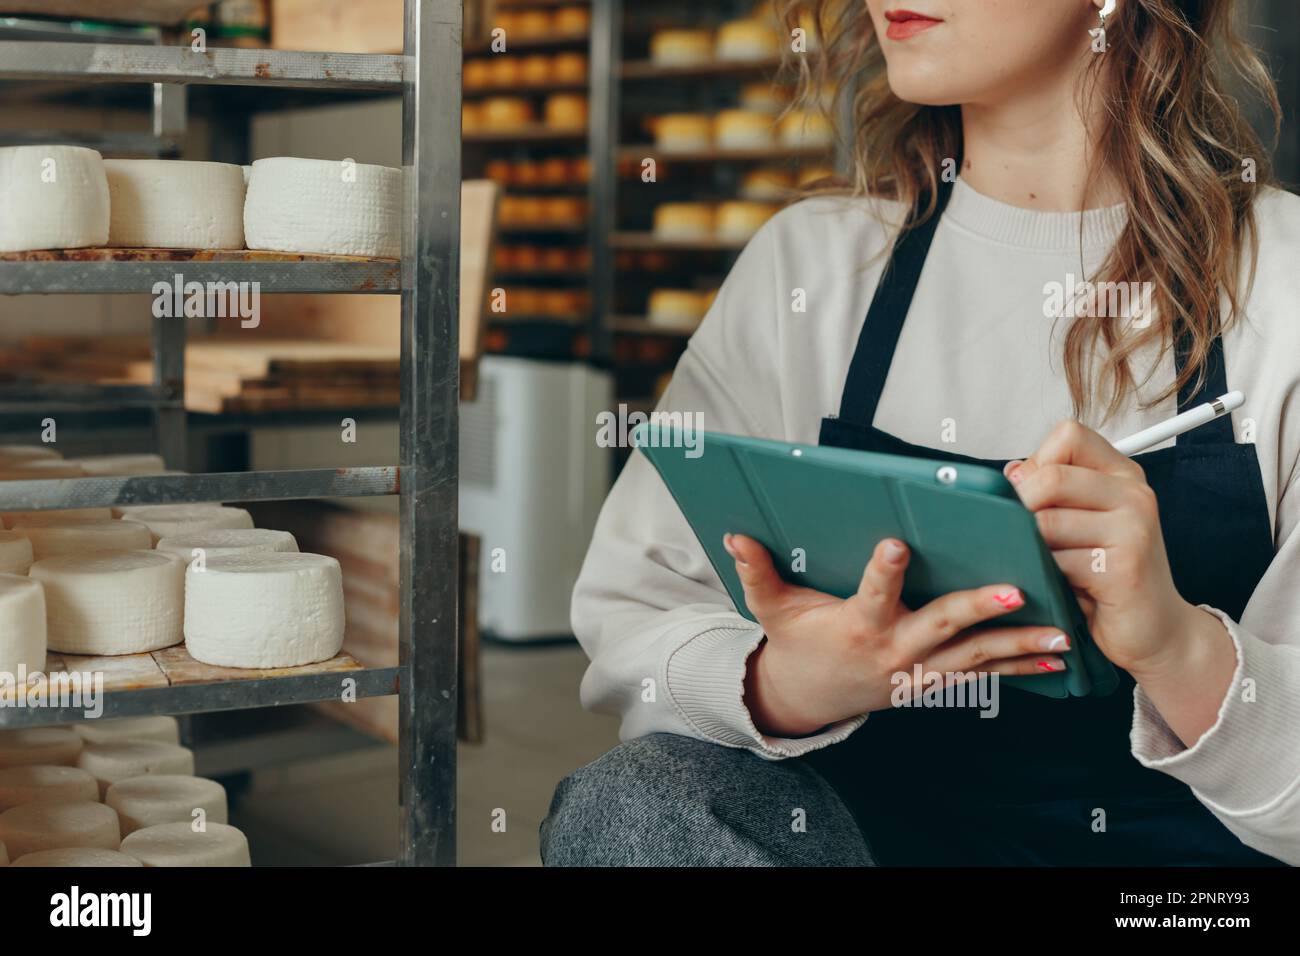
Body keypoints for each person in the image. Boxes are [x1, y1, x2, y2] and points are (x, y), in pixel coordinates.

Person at [543, 0, 1300, 865]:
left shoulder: (1283, 279)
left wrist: (1177, 647)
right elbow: (634, 620)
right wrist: (784, 683)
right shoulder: (808, 269)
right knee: (633, 799)